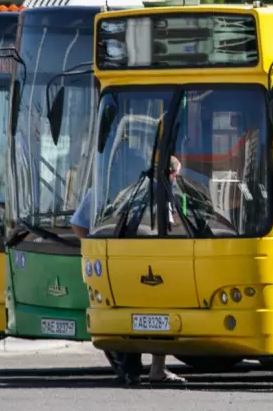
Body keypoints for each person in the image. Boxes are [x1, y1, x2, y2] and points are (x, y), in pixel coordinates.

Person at [70, 155, 187, 386]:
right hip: (152, 258)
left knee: (125, 311)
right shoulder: (160, 191)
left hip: (115, 257)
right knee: (157, 313)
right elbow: (172, 226)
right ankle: (155, 370)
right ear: (171, 174)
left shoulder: (104, 190)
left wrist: (97, 246)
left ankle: (129, 369)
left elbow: (77, 224)